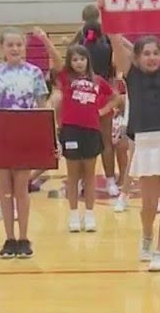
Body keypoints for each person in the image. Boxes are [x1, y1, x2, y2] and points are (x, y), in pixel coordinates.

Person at [112, 29, 160, 272]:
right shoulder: (131, 74)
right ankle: (147, 235)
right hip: (146, 144)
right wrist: (106, 11)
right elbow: (115, 39)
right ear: (136, 57)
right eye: (146, 53)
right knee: (149, 204)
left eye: (156, 52)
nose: (152, 57)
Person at [0, 28, 51, 258]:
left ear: (25, 47)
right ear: (2, 48)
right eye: (10, 45)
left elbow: (42, 106)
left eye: (19, 45)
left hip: (25, 136)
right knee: (5, 190)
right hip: (1, 136)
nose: (15, 49)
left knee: (21, 188)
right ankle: (9, 238)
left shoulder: (35, 73)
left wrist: (46, 136)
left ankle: (23, 237)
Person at [38, 29, 115, 234]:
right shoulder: (65, 78)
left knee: (89, 175)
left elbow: (116, 97)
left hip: (91, 131)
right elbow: (54, 58)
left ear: (88, 61)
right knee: (72, 176)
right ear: (70, 62)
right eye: (75, 59)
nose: (79, 63)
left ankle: (89, 215)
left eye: (82, 59)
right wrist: (45, 39)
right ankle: (73, 215)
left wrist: (103, 110)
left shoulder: (98, 81)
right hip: (71, 131)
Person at [71, 4, 119, 200]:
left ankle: (82, 182)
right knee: (106, 141)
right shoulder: (107, 36)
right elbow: (115, 65)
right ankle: (110, 182)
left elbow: (69, 59)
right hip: (103, 89)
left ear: (83, 18)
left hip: (82, 90)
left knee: (83, 139)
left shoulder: (79, 39)